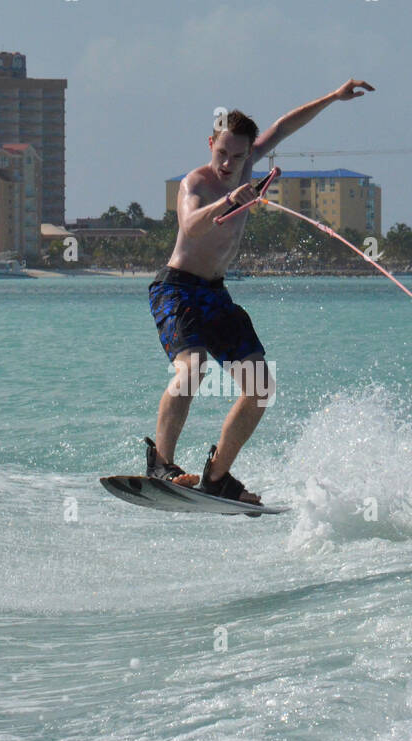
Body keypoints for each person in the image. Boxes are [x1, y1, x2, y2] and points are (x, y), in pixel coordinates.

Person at [144, 79, 374, 504]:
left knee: (260, 386)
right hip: (176, 290)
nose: (228, 163)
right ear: (210, 143)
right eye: (221, 153)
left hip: (216, 294)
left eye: (237, 155)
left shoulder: (248, 166)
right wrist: (229, 200)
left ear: (249, 152)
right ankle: (161, 463)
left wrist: (333, 97)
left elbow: (286, 125)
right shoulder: (195, 184)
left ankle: (217, 476)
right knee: (191, 369)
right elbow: (191, 226)